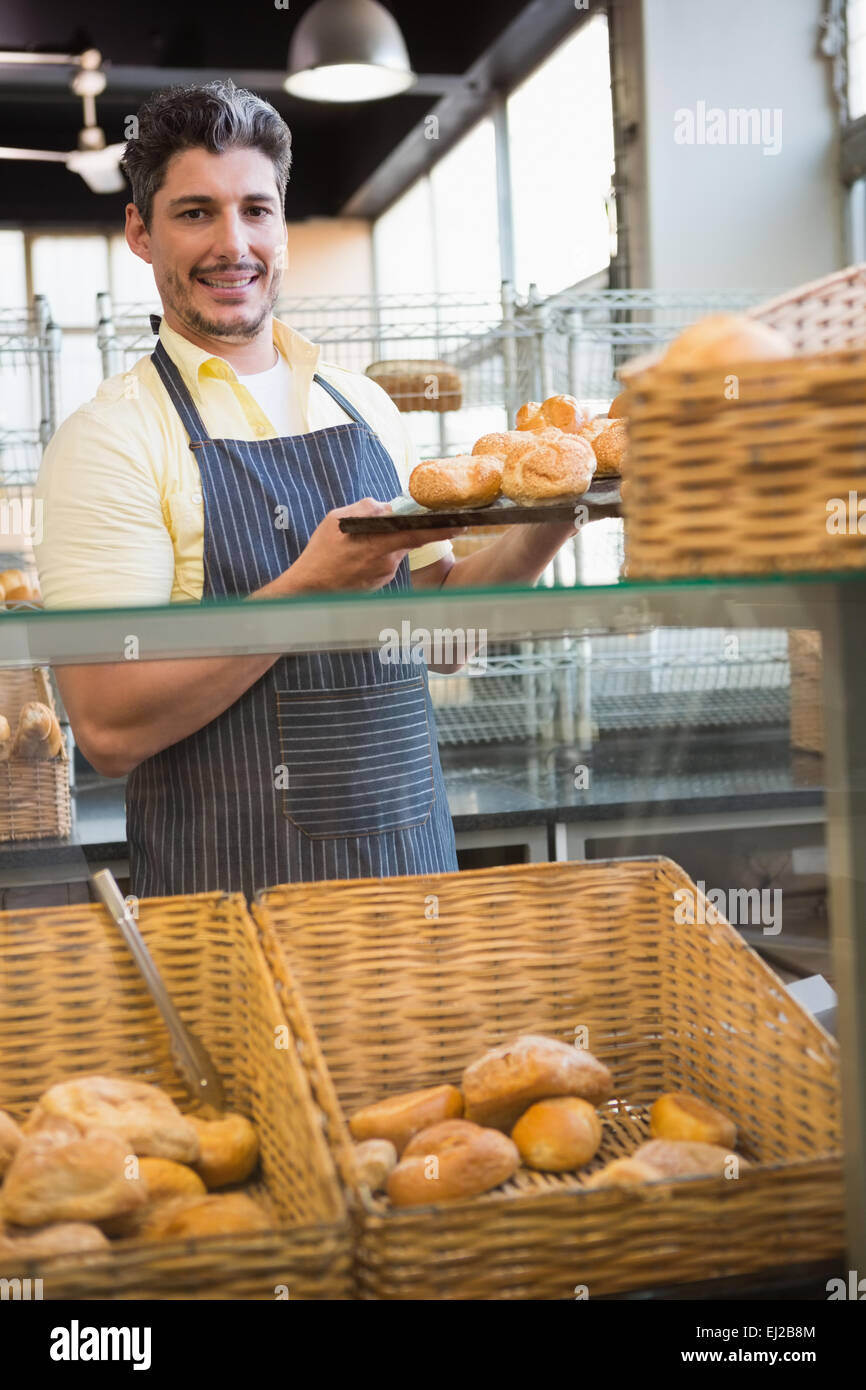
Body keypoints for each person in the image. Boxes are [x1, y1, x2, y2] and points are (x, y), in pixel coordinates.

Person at [35, 81, 577, 900]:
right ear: (141, 234)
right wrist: (303, 593)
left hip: (410, 895)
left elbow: (441, 637)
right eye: (195, 213)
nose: (233, 244)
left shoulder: (364, 405)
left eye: (256, 209)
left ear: (282, 224)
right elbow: (109, 726)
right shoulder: (111, 438)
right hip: (233, 914)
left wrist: (552, 514)